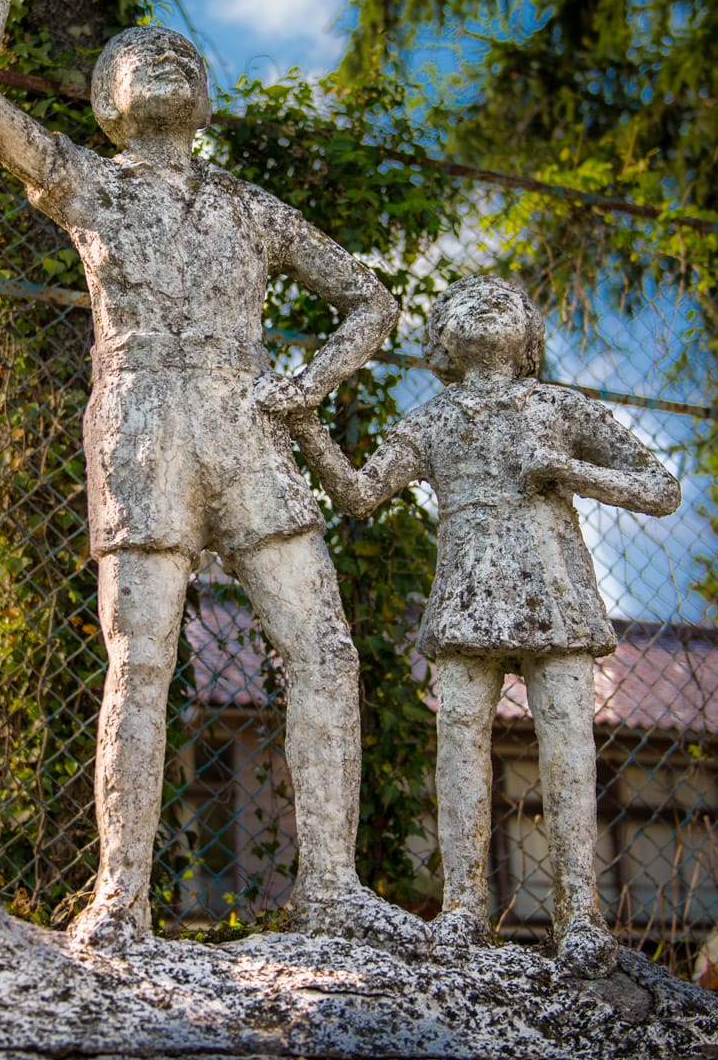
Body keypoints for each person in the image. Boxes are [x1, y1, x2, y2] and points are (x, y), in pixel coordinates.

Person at [0, 0, 428, 954]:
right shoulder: (91, 185)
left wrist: (306, 382)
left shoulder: (249, 207)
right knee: (142, 656)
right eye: (136, 53)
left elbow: (371, 301)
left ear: (205, 100)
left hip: (246, 426)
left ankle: (334, 887)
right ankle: (121, 895)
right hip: (142, 429)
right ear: (104, 99)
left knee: (325, 644)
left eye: (181, 54)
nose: (163, 57)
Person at [288, 273, 681, 977]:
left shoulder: (559, 406)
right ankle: (463, 906)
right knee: (458, 738)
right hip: (467, 592)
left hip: (553, 589)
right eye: (464, 300)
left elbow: (660, 486)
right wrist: (304, 420)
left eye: (504, 299)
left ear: (529, 335)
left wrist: (569, 471)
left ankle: (580, 914)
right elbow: (358, 491)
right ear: (441, 339)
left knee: (568, 739)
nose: (485, 302)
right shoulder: (432, 420)